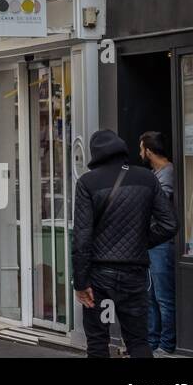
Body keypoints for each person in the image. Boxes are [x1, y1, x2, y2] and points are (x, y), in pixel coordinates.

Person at [73, 129, 177, 358]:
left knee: (98, 340)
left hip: (100, 278)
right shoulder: (146, 177)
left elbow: (82, 236)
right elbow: (169, 224)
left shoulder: (87, 183)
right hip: (135, 274)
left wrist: (81, 282)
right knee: (138, 340)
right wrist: (140, 242)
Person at [139, 131, 177, 355]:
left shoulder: (168, 173)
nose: (139, 153)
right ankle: (153, 342)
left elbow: (159, 203)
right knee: (151, 295)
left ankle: (166, 344)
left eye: (141, 148)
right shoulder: (156, 173)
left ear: (149, 151)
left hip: (162, 243)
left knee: (163, 296)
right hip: (152, 242)